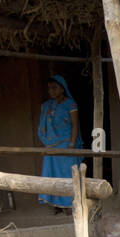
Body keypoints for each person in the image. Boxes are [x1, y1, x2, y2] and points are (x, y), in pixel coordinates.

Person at [37, 74, 82, 214]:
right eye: (50, 88)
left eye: (55, 88)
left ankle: (70, 204)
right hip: (51, 146)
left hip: (67, 145)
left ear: (62, 89)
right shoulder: (46, 106)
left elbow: (75, 125)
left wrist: (72, 143)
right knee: (53, 175)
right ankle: (56, 205)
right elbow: (42, 127)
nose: (52, 91)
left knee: (68, 174)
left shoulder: (71, 104)